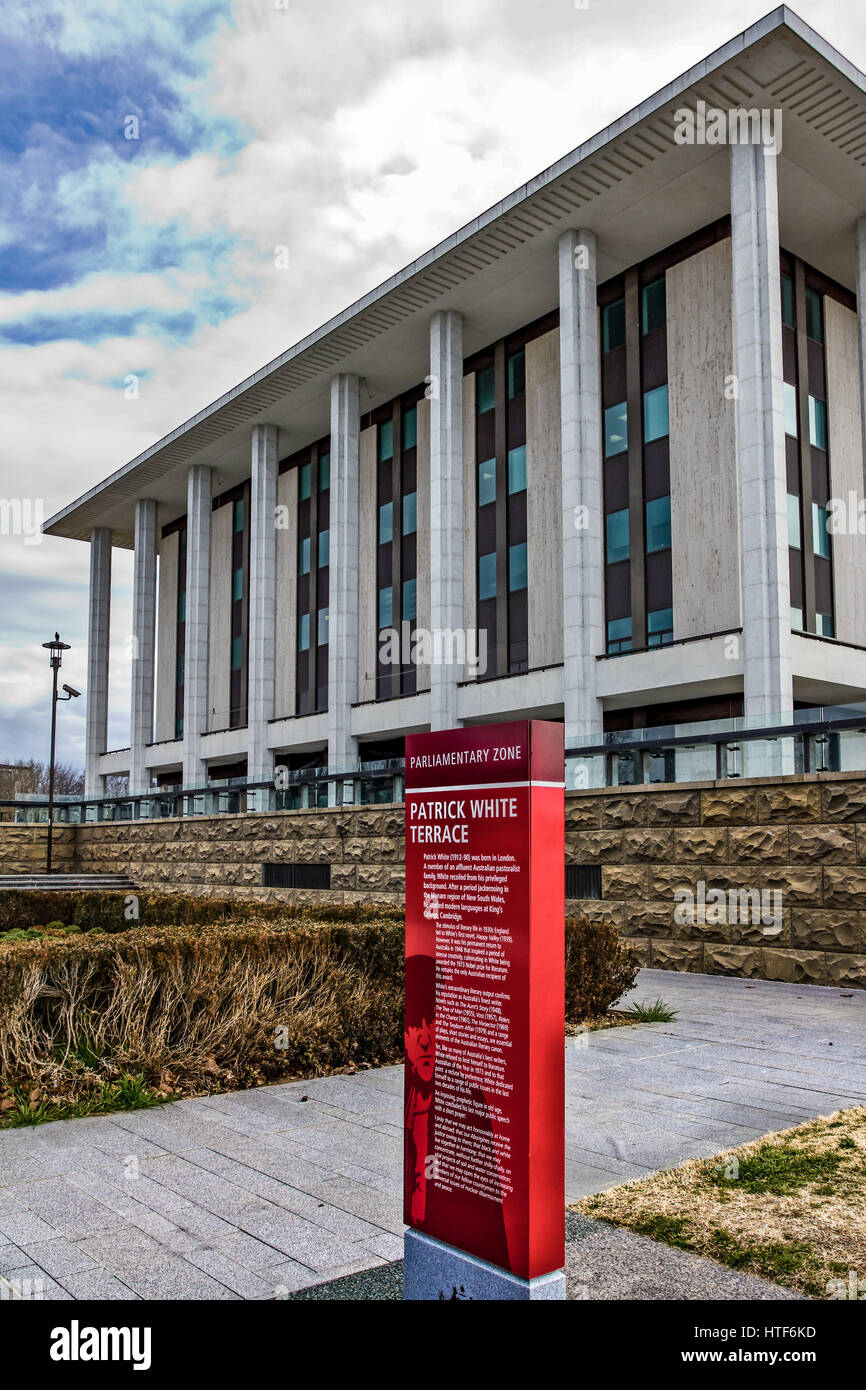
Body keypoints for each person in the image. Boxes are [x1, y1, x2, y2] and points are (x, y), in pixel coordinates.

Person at [404, 952, 510, 1270]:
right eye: (414, 1026)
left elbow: (491, 1224)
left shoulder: (466, 1100)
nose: (424, 1040)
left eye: (430, 1022)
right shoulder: (413, 1090)